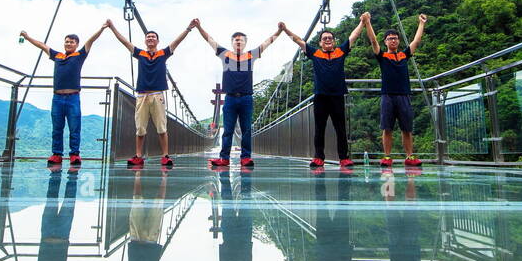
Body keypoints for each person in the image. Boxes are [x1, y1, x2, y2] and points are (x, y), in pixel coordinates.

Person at [193, 19, 284, 168]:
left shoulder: (251, 55)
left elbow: (267, 43)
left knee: (246, 130)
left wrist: (279, 31)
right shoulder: (225, 54)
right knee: (228, 130)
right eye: (236, 40)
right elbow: (210, 40)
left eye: (241, 40)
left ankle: (245, 158)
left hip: (246, 98)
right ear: (232, 43)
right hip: (230, 98)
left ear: (245, 43)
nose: (238, 42)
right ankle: (224, 159)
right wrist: (199, 27)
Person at [281, 14, 367, 169]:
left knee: (340, 128)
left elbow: (353, 36)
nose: (327, 40)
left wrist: (362, 22)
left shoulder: (340, 52)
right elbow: (298, 40)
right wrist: (285, 29)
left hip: (337, 96)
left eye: (330, 38)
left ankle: (344, 158)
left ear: (333, 41)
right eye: (324, 38)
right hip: (320, 96)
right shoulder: (315, 53)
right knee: (319, 128)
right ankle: (319, 157)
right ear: (320, 42)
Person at [19, 22, 111, 166]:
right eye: (66, 41)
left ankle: (75, 154)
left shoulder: (80, 55)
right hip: (57, 97)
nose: (68, 44)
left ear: (76, 44)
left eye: (71, 42)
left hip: (73, 97)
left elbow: (91, 40)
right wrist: (27, 37)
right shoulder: (58, 56)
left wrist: (102, 28)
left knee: (75, 127)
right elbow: (42, 45)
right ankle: (57, 154)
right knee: (57, 127)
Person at [106, 20, 194, 167]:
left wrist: (188, 29)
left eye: (153, 37)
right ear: (145, 41)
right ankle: (138, 156)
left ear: (158, 41)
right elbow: (124, 41)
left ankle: (165, 156)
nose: (150, 38)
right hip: (141, 95)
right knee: (140, 128)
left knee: (161, 127)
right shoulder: (140, 53)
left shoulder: (163, 53)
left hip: (157, 94)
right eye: (148, 37)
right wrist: (112, 27)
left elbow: (177, 41)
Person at [363, 11, 427, 168]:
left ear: (398, 41)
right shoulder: (383, 56)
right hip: (387, 96)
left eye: (395, 38)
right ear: (385, 41)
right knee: (387, 128)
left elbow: (416, 41)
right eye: (390, 38)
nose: (393, 40)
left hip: (404, 95)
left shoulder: (404, 55)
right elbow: (372, 40)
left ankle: (410, 156)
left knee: (407, 128)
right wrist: (367, 22)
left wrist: (421, 23)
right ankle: (387, 157)